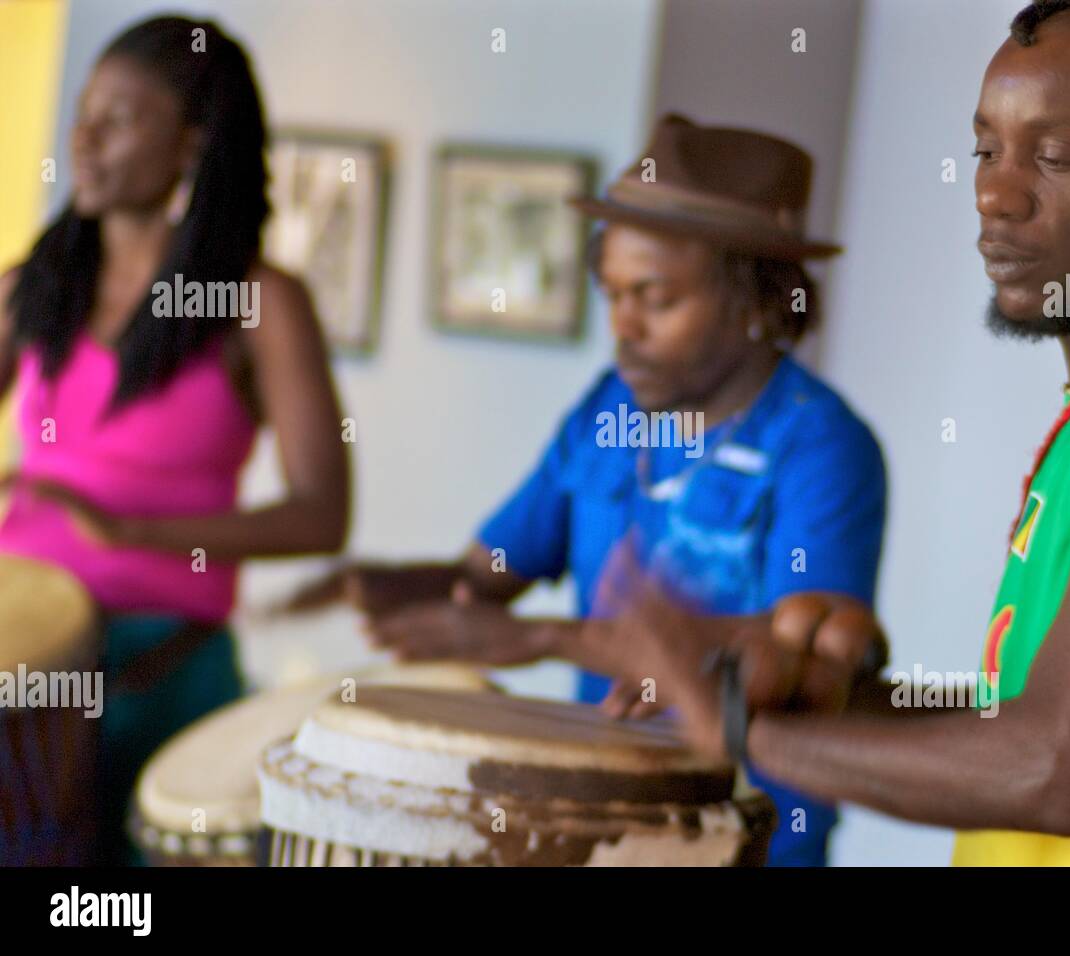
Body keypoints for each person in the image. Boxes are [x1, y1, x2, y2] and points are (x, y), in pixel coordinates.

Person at [587, 0, 1070, 866]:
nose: (995, 194)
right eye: (986, 150)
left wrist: (736, 732)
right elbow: (1037, 717)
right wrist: (829, 703)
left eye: (1056, 155)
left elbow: (1060, 771)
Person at [293, 115, 889, 867]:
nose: (624, 326)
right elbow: (494, 573)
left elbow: (806, 661)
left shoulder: (822, 447)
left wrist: (546, 639)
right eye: (611, 294)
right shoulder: (607, 409)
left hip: (750, 829)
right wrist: (394, 581)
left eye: (655, 298)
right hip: (601, 820)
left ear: (756, 302)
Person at [0, 16, 349, 864]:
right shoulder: (30, 288)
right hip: (26, 662)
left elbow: (320, 514)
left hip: (164, 670)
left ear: (190, 145)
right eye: (84, 113)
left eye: (118, 119)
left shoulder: (260, 305)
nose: (83, 139)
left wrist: (133, 534)